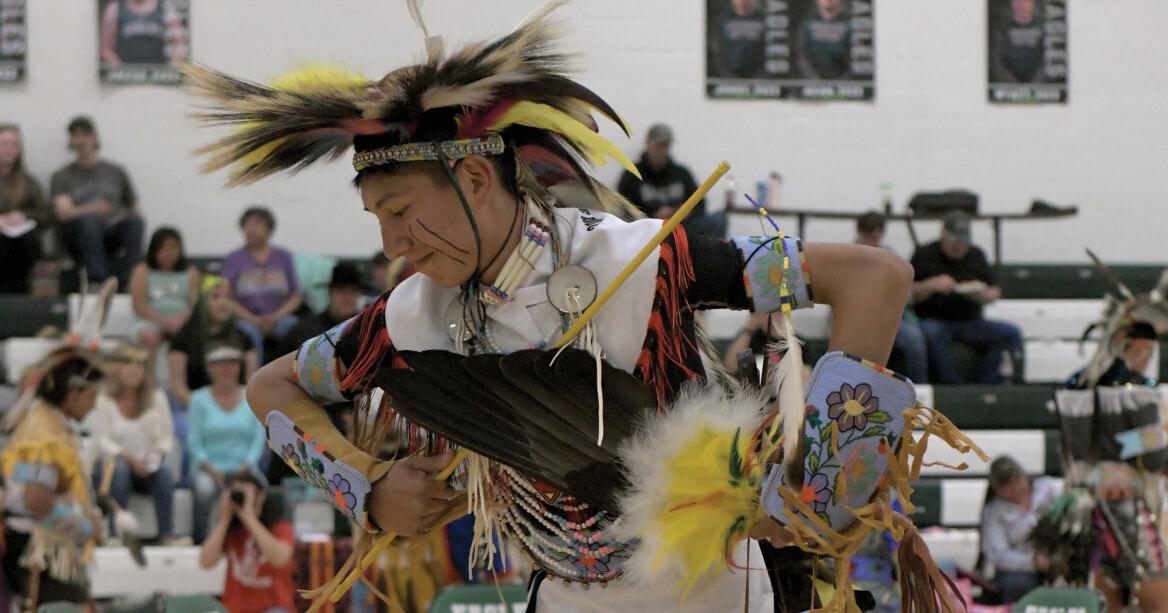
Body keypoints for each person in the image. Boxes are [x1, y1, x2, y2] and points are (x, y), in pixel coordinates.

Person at [185, 5, 979, 611]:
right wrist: (367, 486)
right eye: (378, 220)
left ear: (472, 180)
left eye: (402, 210)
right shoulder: (411, 317)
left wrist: (823, 488)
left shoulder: (642, 262)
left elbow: (874, 277)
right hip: (564, 591)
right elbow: (271, 388)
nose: (395, 241)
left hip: (712, 591)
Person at [1, 326, 109, 610]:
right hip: (38, 553)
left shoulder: (50, 426)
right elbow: (35, 499)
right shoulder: (43, 433)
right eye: (91, 397)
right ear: (73, 393)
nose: (93, 406)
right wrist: (85, 528)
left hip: (45, 550)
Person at [911, 211, 1022, 384]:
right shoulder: (924, 255)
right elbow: (909, 292)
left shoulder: (976, 255)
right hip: (935, 319)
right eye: (954, 241)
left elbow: (994, 291)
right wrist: (931, 285)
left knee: (1011, 333)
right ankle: (952, 386)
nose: (958, 247)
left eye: (963, 242)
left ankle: (988, 384)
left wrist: (980, 294)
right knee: (929, 333)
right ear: (943, 235)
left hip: (970, 320)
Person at [86, 344, 180, 544]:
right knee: (119, 469)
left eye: (139, 365)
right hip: (111, 469)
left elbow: (166, 438)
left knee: (164, 473)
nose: (134, 370)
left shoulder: (157, 398)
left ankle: (167, 534)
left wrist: (153, 457)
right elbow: (102, 441)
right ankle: (115, 533)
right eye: (128, 364)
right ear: (116, 369)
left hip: (147, 466)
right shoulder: (103, 399)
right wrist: (129, 459)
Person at [186, 345, 267, 544]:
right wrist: (211, 469)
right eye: (220, 365)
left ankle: (251, 541)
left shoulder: (251, 395)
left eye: (232, 364)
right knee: (203, 489)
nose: (226, 370)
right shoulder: (199, 399)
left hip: (243, 467)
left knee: (256, 488)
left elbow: (258, 439)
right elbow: (194, 441)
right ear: (210, 369)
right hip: (209, 467)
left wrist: (246, 465)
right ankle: (201, 539)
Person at [50, 116, 143, 287]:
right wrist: (91, 209)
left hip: (113, 229)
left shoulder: (116, 172)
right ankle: (96, 280)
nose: (81, 141)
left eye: (85, 135)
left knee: (135, 222)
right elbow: (63, 213)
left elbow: (133, 207)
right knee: (88, 222)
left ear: (95, 137)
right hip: (80, 235)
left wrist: (122, 217)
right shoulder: (62, 176)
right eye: (75, 136)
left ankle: (130, 280)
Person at [198, 469, 295, 613]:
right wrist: (224, 520)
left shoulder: (279, 525)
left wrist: (249, 517)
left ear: (261, 495)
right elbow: (205, 562)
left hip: (273, 608)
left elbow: (280, 558)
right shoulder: (231, 529)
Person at [221, 206, 302, 361]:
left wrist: (276, 317)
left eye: (257, 224)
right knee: (249, 333)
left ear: (269, 229)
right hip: (246, 319)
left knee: (298, 329)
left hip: (279, 317)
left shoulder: (283, 256)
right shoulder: (234, 258)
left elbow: (296, 295)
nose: (251, 229)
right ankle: (256, 380)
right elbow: (227, 297)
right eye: (247, 225)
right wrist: (253, 320)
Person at [856, 211, 929, 382]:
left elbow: (906, 292)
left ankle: (919, 389)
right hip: (857, 318)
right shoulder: (846, 256)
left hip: (888, 317)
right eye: (869, 237)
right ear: (860, 233)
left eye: (876, 238)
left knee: (914, 337)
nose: (872, 243)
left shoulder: (888, 257)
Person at [616, 123, 724, 237]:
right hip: (649, 231)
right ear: (648, 142)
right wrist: (653, 216)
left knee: (718, 220)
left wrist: (684, 213)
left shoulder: (682, 174)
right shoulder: (632, 175)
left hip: (682, 229)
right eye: (659, 145)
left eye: (666, 145)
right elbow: (623, 210)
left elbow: (700, 205)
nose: (662, 150)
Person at [168, 276, 258, 410]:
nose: (223, 303)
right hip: (194, 408)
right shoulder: (183, 339)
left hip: (238, 409)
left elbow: (252, 383)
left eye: (228, 297)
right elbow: (177, 387)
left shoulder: (245, 339)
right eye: (215, 297)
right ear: (202, 302)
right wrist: (207, 411)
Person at [980, 455, 1057, 603]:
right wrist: (1034, 562)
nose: (1016, 489)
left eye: (1018, 481)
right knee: (1018, 585)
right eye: (1007, 486)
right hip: (1020, 568)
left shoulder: (1047, 489)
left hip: (1056, 554)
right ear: (997, 490)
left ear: (1024, 476)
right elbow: (1000, 555)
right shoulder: (994, 512)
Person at [129, 226, 200, 354]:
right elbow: (139, 307)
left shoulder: (191, 272)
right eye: (163, 248)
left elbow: (195, 305)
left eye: (173, 248)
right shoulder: (142, 271)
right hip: (151, 322)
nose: (168, 253)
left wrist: (180, 321)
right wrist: (164, 322)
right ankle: (149, 374)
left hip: (183, 322)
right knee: (149, 336)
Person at [277, 262, 364, 357]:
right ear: (330, 292)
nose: (347, 297)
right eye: (341, 290)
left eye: (353, 291)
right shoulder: (305, 331)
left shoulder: (368, 331)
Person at [0, 124, 48, 294]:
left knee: (23, 242)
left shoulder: (29, 183)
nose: (9, 149)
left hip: (22, 242)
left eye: (14, 144)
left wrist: (23, 215)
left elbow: (45, 214)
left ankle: (19, 298)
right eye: (4, 143)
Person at [99, 0, 189, 67]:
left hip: (159, 73)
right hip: (124, 74)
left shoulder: (167, 8)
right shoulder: (115, 8)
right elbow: (105, 49)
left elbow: (179, 46)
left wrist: (169, 71)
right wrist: (121, 70)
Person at [990, 0, 1044, 84]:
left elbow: (1048, 63)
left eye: (1026, 1)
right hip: (1007, 87)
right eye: (1017, 1)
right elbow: (996, 63)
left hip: (1038, 87)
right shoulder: (1002, 29)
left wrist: (1034, 85)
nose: (1021, 5)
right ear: (1012, 3)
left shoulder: (1044, 30)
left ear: (1032, 3)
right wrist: (1013, 85)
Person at [797, 0, 852, 79]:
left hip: (846, 84)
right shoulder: (807, 25)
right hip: (812, 84)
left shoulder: (851, 24)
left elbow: (859, 59)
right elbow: (800, 56)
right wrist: (815, 80)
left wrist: (843, 81)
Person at [711, 0, 766, 79]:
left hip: (760, 79)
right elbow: (717, 52)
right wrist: (727, 76)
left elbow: (770, 52)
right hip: (728, 78)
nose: (743, 1)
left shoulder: (765, 20)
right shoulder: (722, 21)